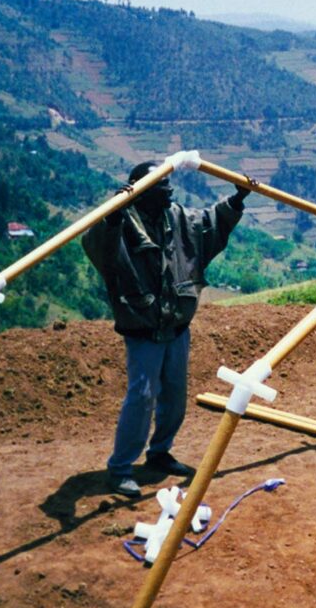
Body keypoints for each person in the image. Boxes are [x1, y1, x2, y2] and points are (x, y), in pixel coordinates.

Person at [82, 162, 253, 498]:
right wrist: (114, 215)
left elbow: (209, 224)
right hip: (143, 326)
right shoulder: (121, 220)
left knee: (174, 395)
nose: (170, 190)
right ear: (142, 189)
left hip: (176, 324)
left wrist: (237, 200)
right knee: (142, 397)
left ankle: (159, 452)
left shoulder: (176, 217)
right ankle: (120, 468)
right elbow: (98, 244)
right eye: (162, 185)